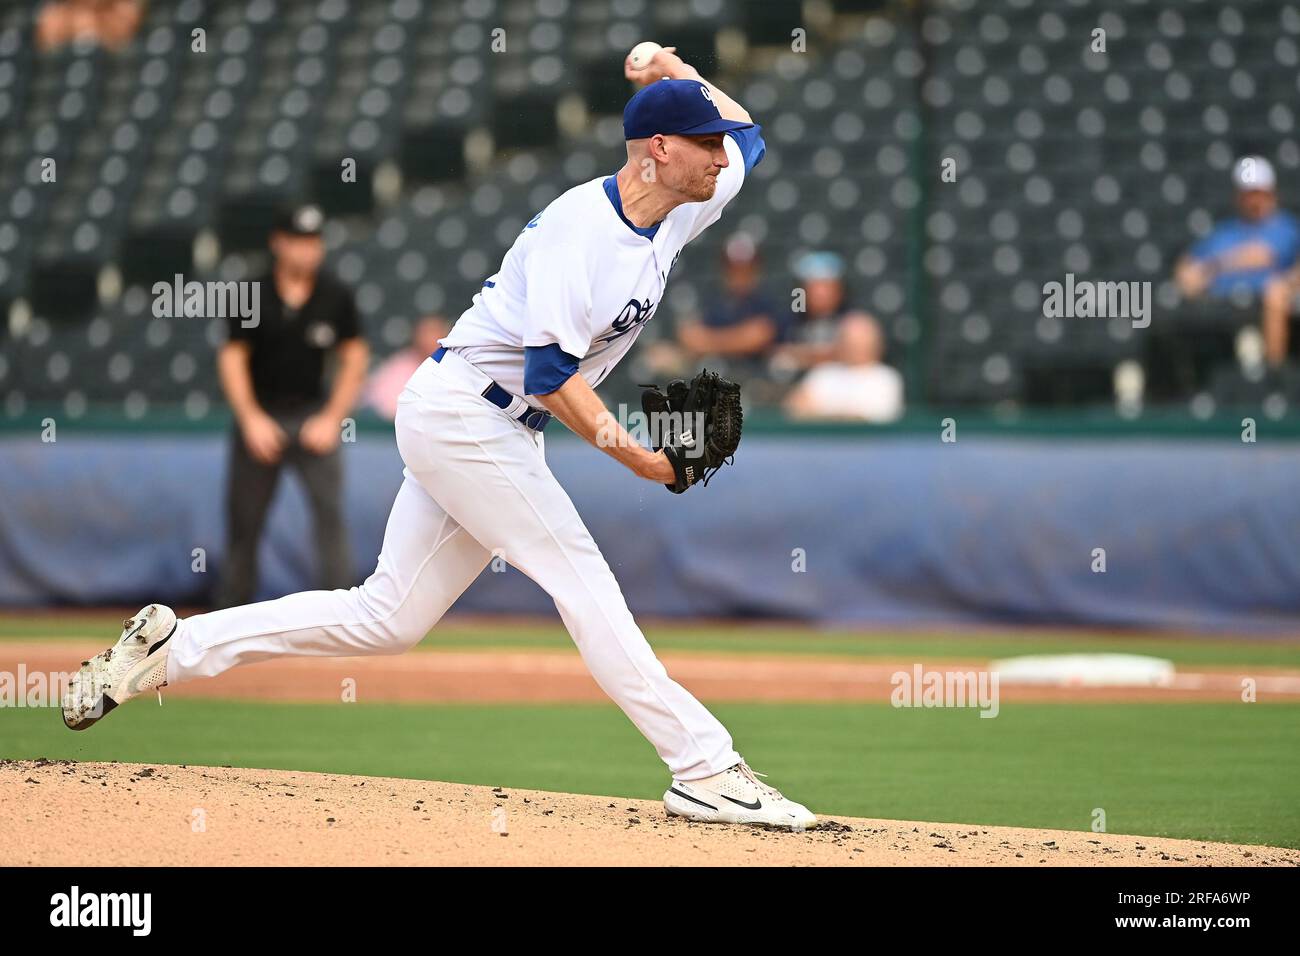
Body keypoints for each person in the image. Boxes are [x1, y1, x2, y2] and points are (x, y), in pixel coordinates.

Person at [62, 50, 817, 830]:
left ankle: (169, 650)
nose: (723, 156)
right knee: (581, 579)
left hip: (486, 422)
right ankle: (704, 768)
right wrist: (642, 458)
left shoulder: (683, 201)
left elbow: (752, 134)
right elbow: (553, 374)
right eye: (706, 141)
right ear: (659, 149)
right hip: (465, 412)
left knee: (386, 618)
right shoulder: (578, 231)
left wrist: (675, 67)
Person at [214, 204, 370, 608]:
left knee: (330, 518)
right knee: (243, 524)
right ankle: (230, 618)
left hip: (311, 414)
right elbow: (232, 357)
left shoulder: (334, 294)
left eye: (314, 241)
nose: (308, 250)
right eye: (299, 241)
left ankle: (341, 616)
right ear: (278, 243)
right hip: (261, 415)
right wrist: (250, 419)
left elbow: (355, 357)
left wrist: (333, 418)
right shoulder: (252, 293)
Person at [1173, 156, 1300, 367]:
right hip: (1221, 300)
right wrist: (1192, 275)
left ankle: (1274, 375)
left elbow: (1260, 256)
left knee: (1276, 295)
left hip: (1263, 298)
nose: (1254, 200)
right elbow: (1187, 266)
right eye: (1248, 194)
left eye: (1259, 193)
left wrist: (1213, 267)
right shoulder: (1226, 231)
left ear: (1271, 194)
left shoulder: (1284, 227)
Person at [783, 312, 903, 422]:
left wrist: (821, 415)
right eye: (849, 340)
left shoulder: (886, 378)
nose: (854, 347)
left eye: (860, 342)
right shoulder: (823, 373)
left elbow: (865, 420)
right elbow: (795, 409)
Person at [769, 250, 850, 376]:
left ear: (839, 291)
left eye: (826, 287)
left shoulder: (851, 319)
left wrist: (804, 355)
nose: (820, 294)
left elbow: (853, 353)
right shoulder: (790, 320)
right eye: (814, 287)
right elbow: (775, 351)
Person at [365, 315, 450, 420]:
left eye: (435, 332)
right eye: (425, 333)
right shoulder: (399, 367)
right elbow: (384, 406)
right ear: (416, 336)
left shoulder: (455, 368)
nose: (429, 339)